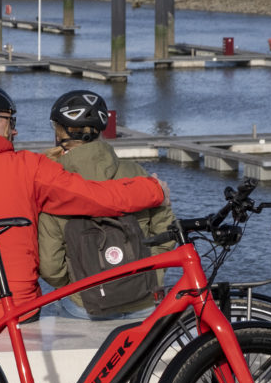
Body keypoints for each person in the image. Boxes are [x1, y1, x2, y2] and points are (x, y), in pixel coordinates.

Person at [0, 82, 166, 327]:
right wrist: (153, 189)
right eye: (9, 120)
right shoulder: (28, 168)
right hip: (17, 311)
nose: (14, 129)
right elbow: (95, 198)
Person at [37, 90, 177, 318]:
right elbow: (166, 232)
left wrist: (79, 286)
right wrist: (150, 271)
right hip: (143, 298)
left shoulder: (55, 183)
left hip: (86, 306)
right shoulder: (135, 173)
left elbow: (51, 267)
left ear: (60, 132)